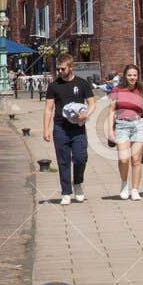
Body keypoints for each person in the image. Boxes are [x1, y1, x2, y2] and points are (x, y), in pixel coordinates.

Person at [43, 53, 95, 206]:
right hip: (60, 127)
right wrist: (46, 129)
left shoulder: (82, 84)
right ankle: (66, 192)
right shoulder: (54, 86)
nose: (60, 71)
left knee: (80, 158)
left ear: (71, 67)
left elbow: (92, 103)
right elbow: (48, 108)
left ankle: (77, 182)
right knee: (63, 160)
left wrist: (86, 114)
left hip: (78, 128)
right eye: (58, 69)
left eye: (63, 69)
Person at [109, 64, 143, 199]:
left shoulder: (142, 89)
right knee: (123, 159)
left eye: (134, 75)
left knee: (136, 159)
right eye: (129, 75)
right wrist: (110, 130)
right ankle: (124, 183)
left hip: (138, 124)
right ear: (125, 76)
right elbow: (111, 111)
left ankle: (135, 189)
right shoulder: (117, 89)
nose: (132, 77)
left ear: (138, 76)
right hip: (122, 125)